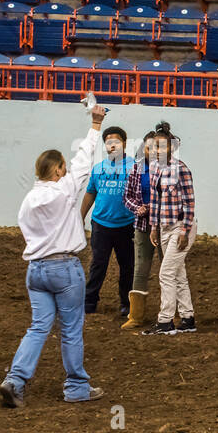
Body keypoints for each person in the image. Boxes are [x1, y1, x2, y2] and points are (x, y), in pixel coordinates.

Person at [0, 105, 108, 407]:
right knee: (71, 329)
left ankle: (15, 380)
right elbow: (84, 160)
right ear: (59, 170)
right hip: (65, 268)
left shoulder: (29, 199)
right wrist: (96, 124)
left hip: (36, 269)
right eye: (64, 168)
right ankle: (76, 388)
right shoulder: (65, 189)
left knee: (38, 326)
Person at [142, 121, 197, 335]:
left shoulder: (181, 169)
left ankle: (165, 321)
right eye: (155, 146)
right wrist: (154, 227)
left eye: (163, 146)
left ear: (172, 148)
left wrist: (184, 231)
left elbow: (190, 203)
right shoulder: (155, 168)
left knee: (166, 273)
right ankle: (187, 317)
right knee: (177, 273)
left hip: (181, 227)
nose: (158, 150)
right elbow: (155, 201)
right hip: (163, 227)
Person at [80, 124, 135, 319]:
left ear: (124, 144)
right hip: (101, 224)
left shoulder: (134, 167)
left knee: (127, 266)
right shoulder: (98, 168)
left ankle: (126, 303)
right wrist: (80, 217)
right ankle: (90, 301)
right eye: (109, 142)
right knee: (98, 264)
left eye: (116, 141)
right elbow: (90, 194)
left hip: (126, 225)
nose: (113, 145)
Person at [120, 127, 161, 331]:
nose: (152, 151)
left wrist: (151, 208)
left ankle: (171, 313)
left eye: (156, 147)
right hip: (143, 225)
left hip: (164, 225)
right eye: (148, 147)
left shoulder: (168, 170)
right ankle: (136, 315)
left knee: (169, 271)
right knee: (140, 270)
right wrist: (138, 208)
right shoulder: (136, 169)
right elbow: (126, 196)